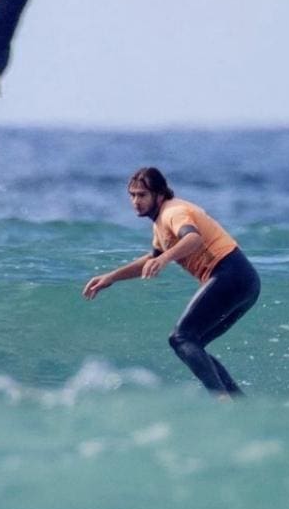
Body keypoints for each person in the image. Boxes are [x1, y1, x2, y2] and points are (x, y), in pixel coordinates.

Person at [83, 167, 260, 399]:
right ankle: (239, 402)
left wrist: (166, 259)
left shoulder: (172, 212)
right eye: (132, 195)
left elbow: (193, 238)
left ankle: (222, 399)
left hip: (230, 273)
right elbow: (153, 257)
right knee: (193, 344)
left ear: (159, 195)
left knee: (181, 337)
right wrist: (111, 277)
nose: (136, 201)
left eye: (142, 195)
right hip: (246, 281)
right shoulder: (160, 224)